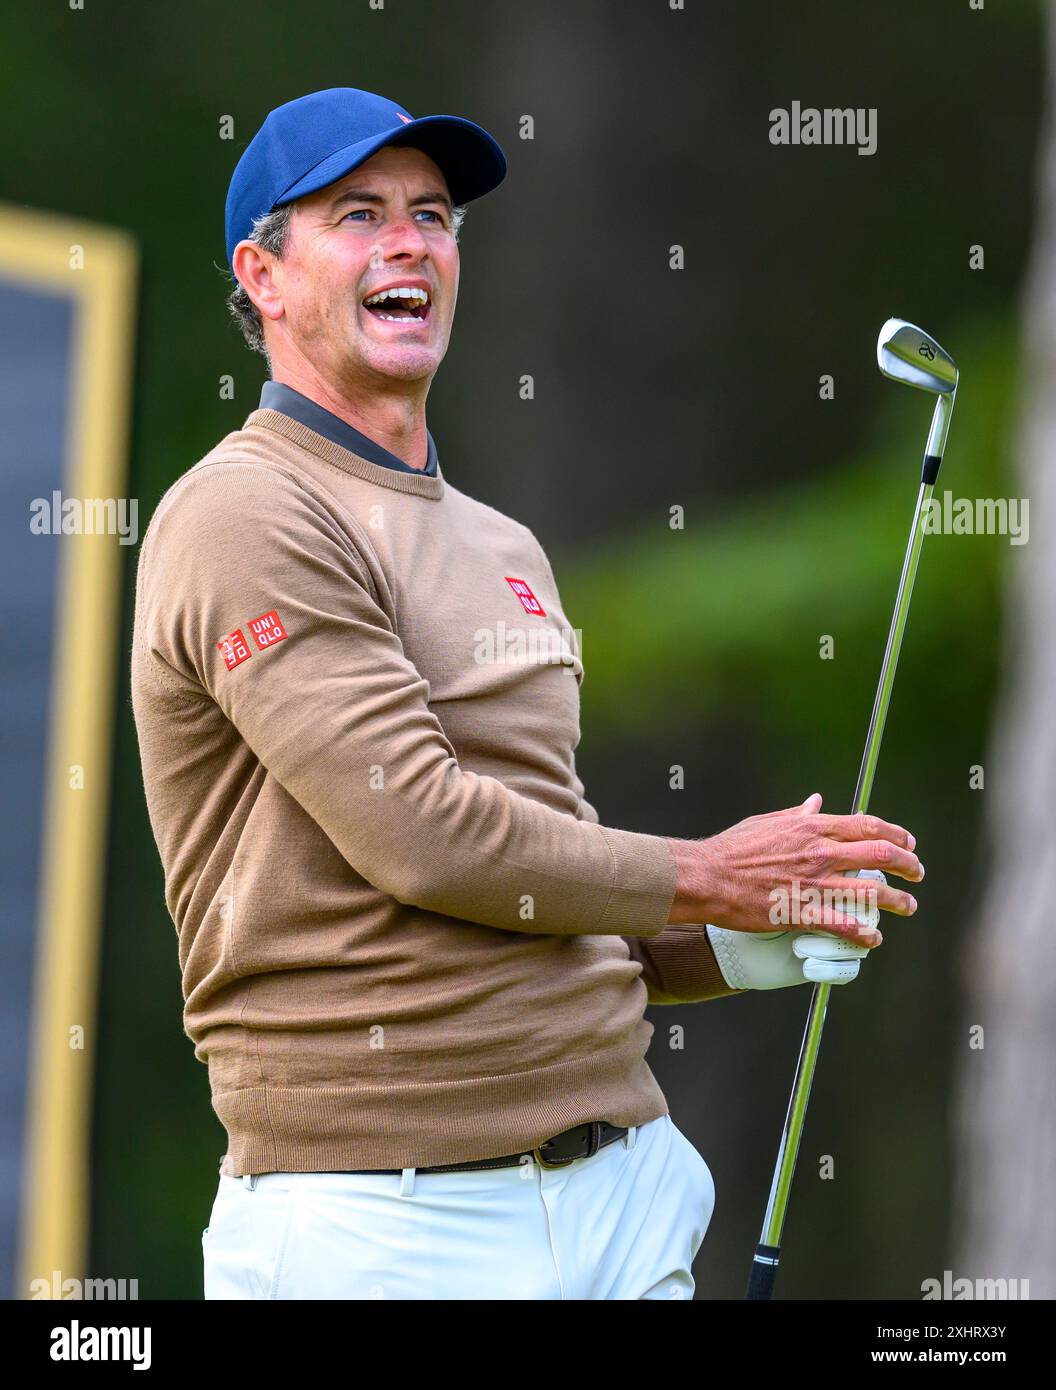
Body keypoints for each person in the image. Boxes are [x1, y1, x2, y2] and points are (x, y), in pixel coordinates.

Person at [130, 86, 924, 1300]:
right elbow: (423, 835)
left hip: (623, 1197)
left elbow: (543, 878)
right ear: (266, 276)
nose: (411, 244)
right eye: (358, 215)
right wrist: (714, 869)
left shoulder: (504, 543)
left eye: (434, 217)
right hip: (380, 1228)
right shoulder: (243, 513)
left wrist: (743, 939)